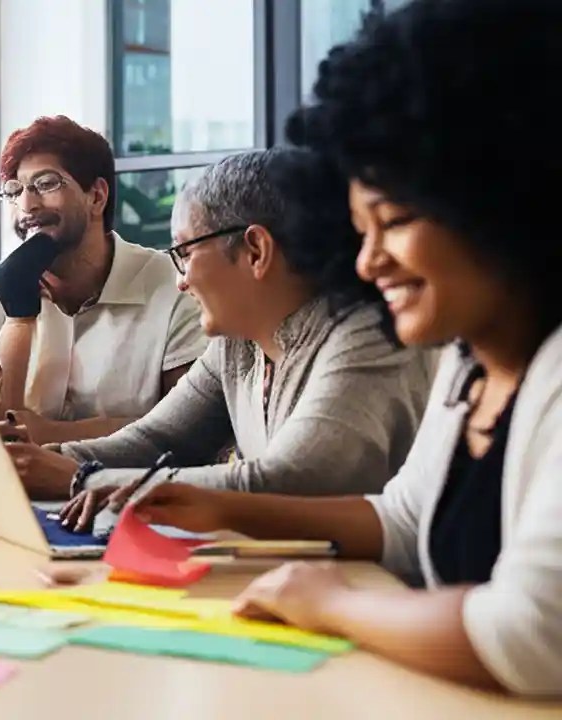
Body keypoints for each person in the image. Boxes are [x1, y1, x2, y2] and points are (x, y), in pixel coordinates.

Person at [121, 0, 562, 695]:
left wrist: (335, 603)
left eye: (393, 223)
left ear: (503, 197)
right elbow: (403, 517)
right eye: (363, 230)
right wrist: (229, 509)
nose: (369, 262)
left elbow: (531, 634)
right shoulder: (473, 361)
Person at [6, 147, 434, 509]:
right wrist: (36, 462)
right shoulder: (238, 342)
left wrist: (87, 481)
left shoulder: (365, 334)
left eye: (186, 253)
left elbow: (290, 480)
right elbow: (159, 438)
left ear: (255, 250)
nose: (181, 280)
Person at [0, 115, 208, 444]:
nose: (27, 205)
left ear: (97, 197)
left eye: (46, 184)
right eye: (14, 192)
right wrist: (19, 320)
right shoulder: (4, 288)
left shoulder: (174, 288)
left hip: (128, 486)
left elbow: (190, 427)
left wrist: (57, 436)